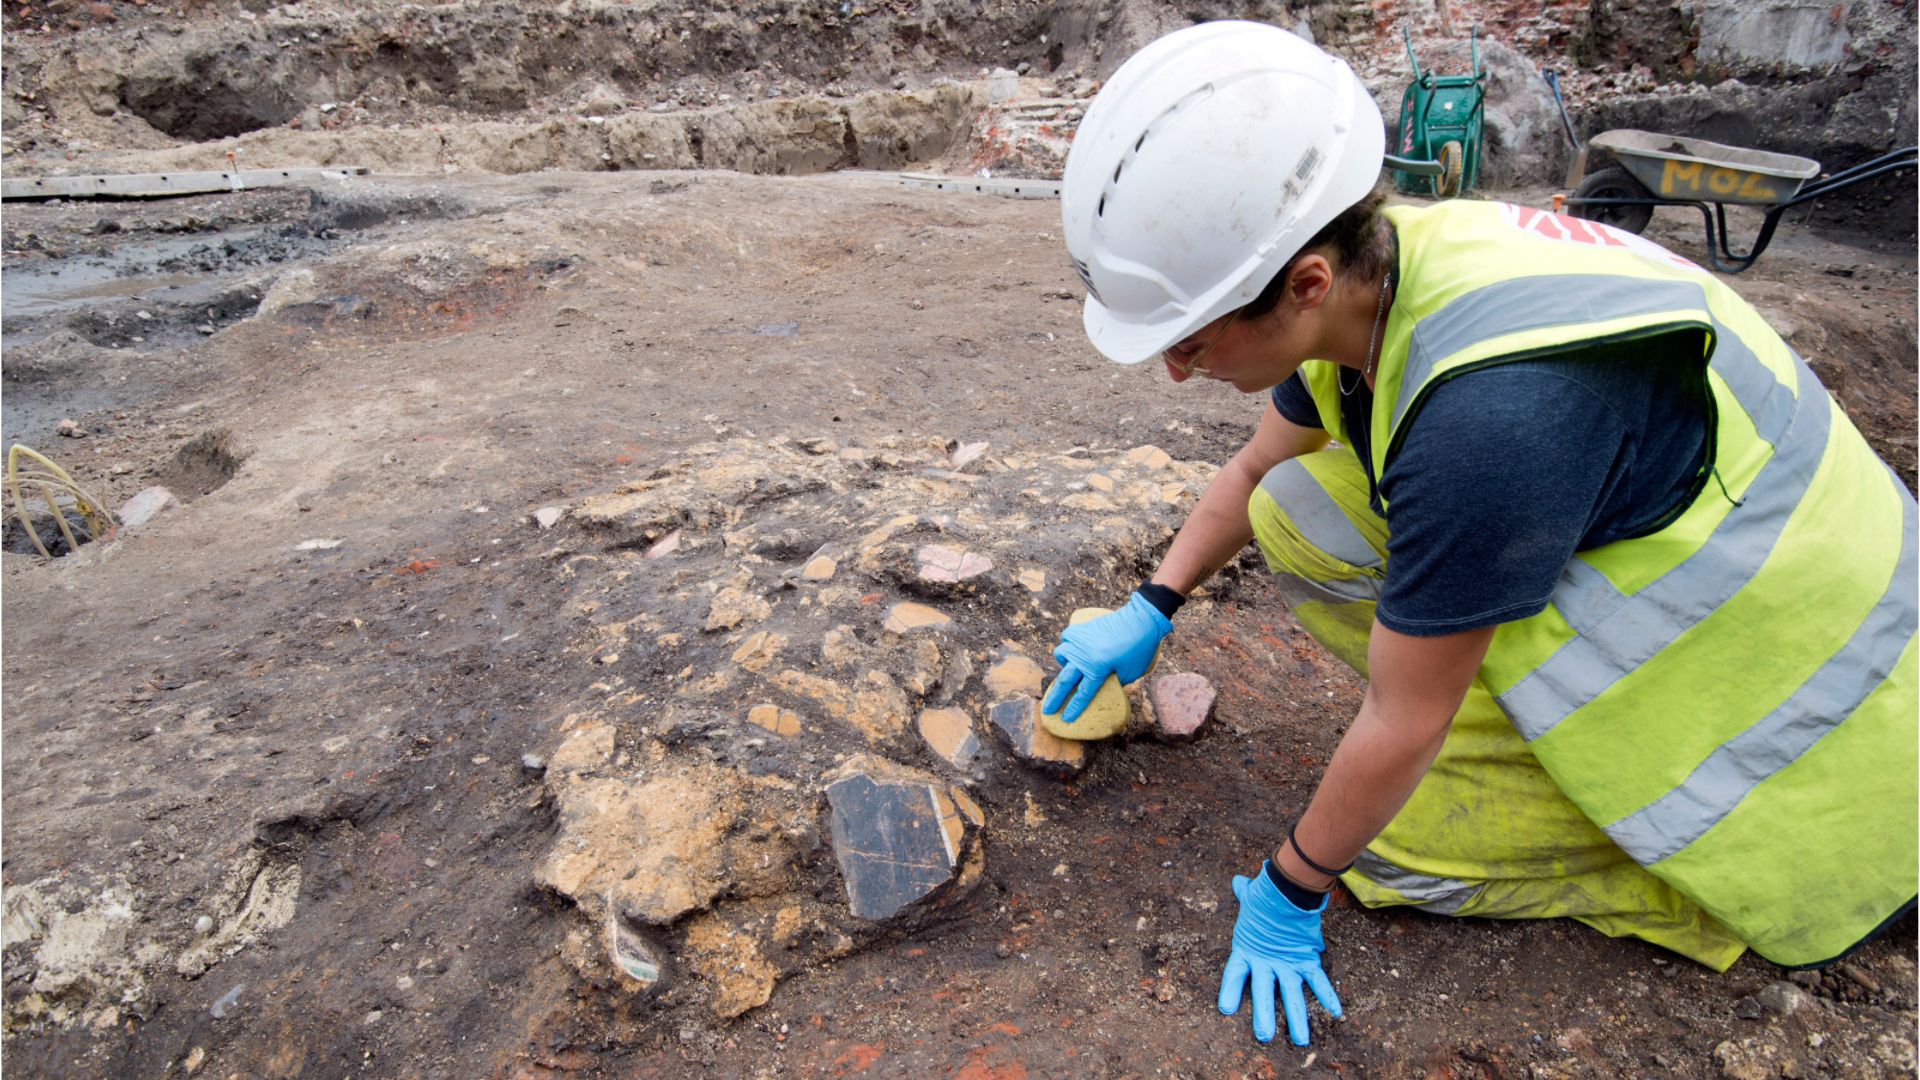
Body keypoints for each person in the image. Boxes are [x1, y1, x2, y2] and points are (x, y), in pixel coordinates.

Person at [1045, 20, 1918, 1048]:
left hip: (1819, 730)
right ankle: (1508, 709)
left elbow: (1404, 720)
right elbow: (1252, 474)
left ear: (1306, 284)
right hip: (1685, 554)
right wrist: (1151, 605)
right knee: (1299, 506)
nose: (1177, 372)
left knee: (1389, 855)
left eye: (1189, 340)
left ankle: (1678, 870)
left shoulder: (1490, 423)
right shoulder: (1383, 267)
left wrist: (1291, 888)